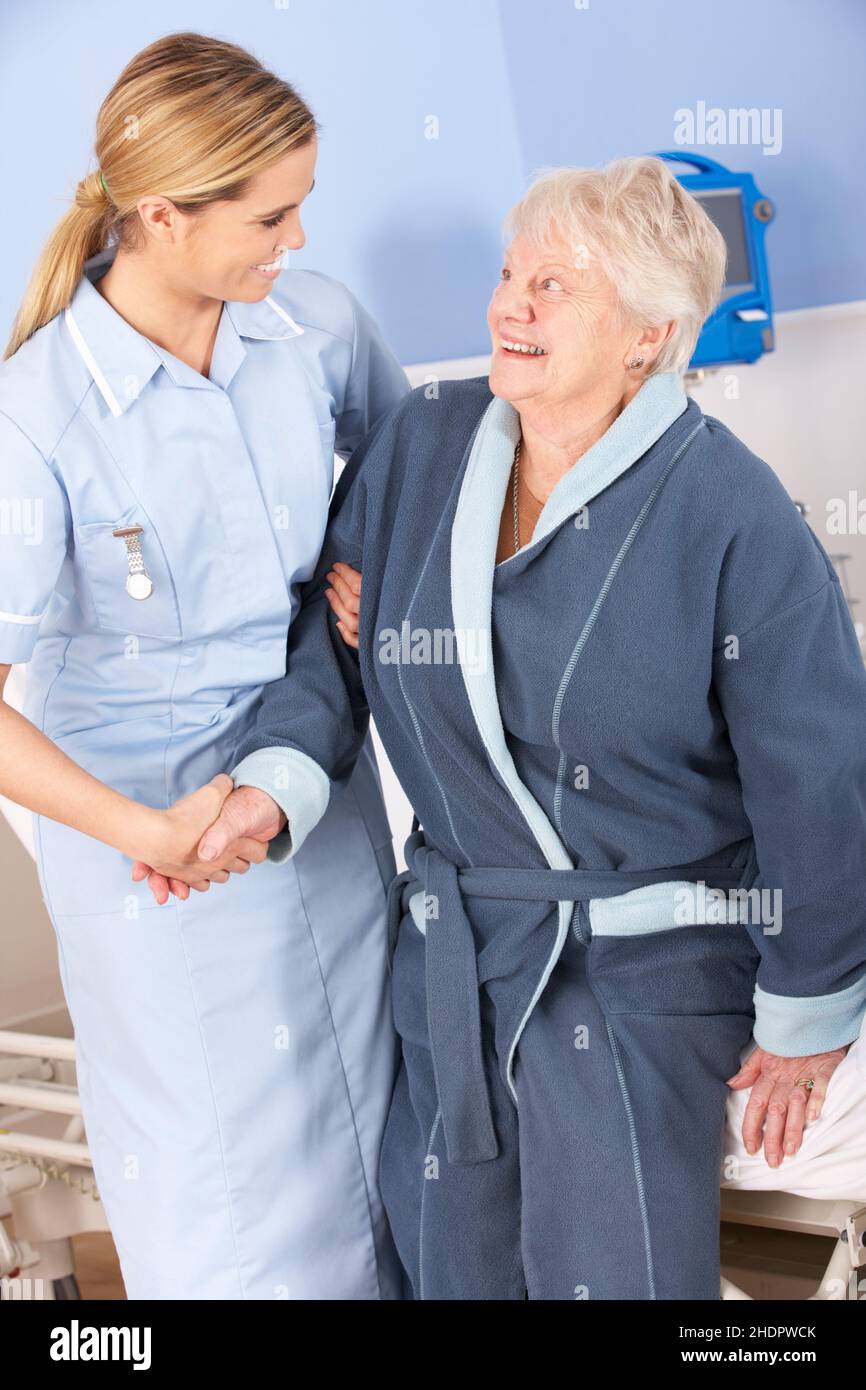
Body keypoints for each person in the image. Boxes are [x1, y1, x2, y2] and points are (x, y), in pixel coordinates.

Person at [147, 156, 866, 1299]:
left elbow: (817, 784)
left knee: (611, 1265)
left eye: (553, 287)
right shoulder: (424, 444)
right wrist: (268, 788)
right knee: (448, 1259)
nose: (505, 306)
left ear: (648, 335)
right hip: (453, 949)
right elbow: (329, 649)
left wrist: (804, 1016)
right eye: (506, 272)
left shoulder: (731, 514)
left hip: (648, 967)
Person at [0, 32, 410, 1299]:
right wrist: (153, 832)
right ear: (161, 215)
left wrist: (368, 577)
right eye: (270, 216)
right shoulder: (39, 418)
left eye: (303, 210)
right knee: (225, 1168)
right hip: (141, 835)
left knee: (378, 1106)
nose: (293, 243)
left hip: (306, 786)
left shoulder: (315, 325)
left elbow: (410, 487)